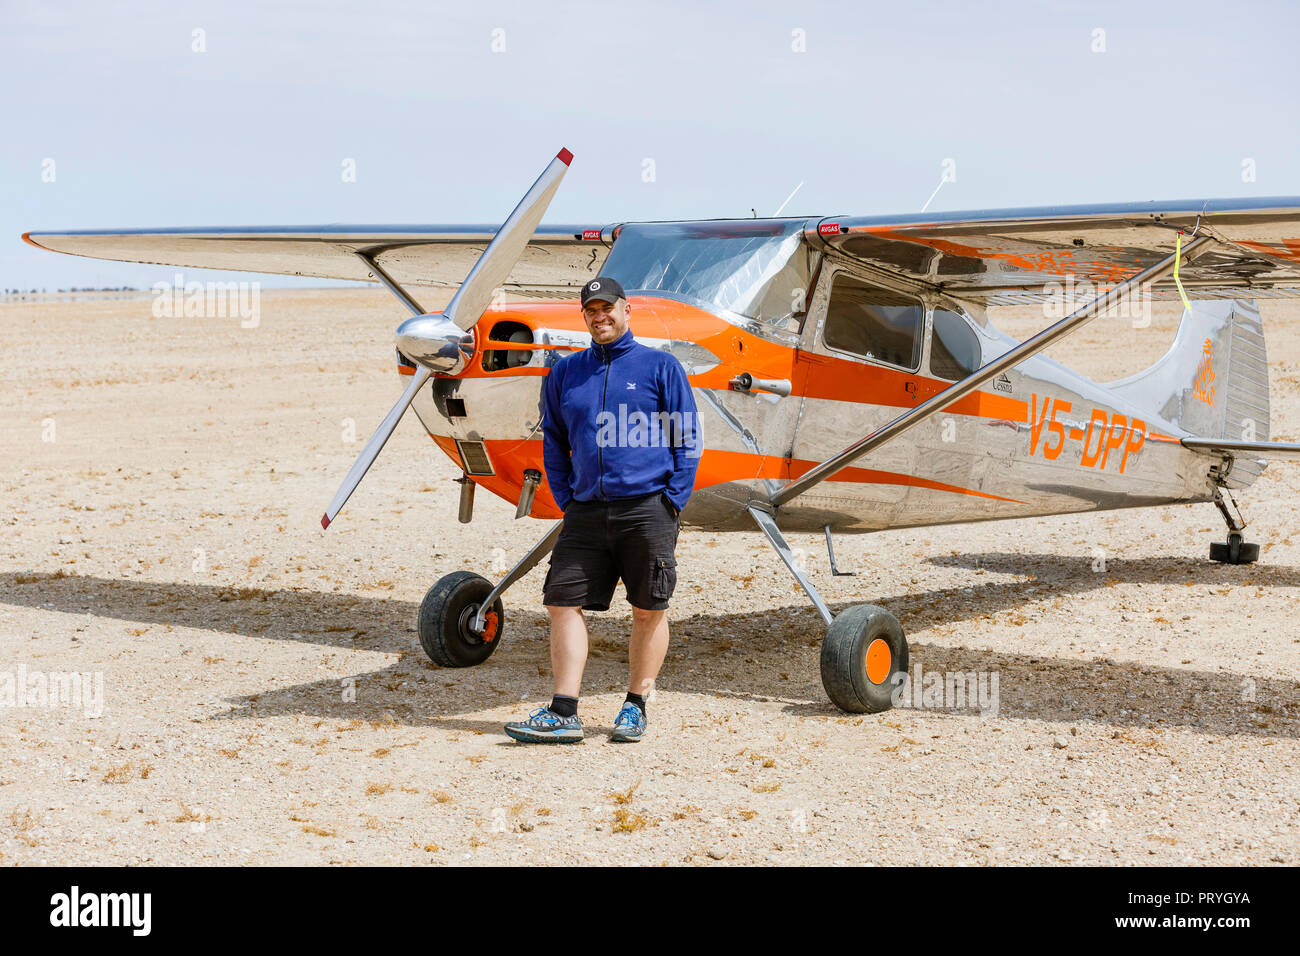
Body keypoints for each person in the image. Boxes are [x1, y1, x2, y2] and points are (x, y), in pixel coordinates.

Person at [505, 276, 701, 744]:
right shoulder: (565, 374)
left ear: (626, 309)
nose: (600, 316)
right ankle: (564, 710)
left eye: (607, 307)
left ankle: (635, 706)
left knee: (648, 609)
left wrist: (671, 500)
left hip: (648, 508)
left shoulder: (661, 367)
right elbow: (554, 439)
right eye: (591, 310)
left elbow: (687, 438)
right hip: (586, 511)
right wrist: (568, 498)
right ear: (585, 317)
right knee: (560, 602)